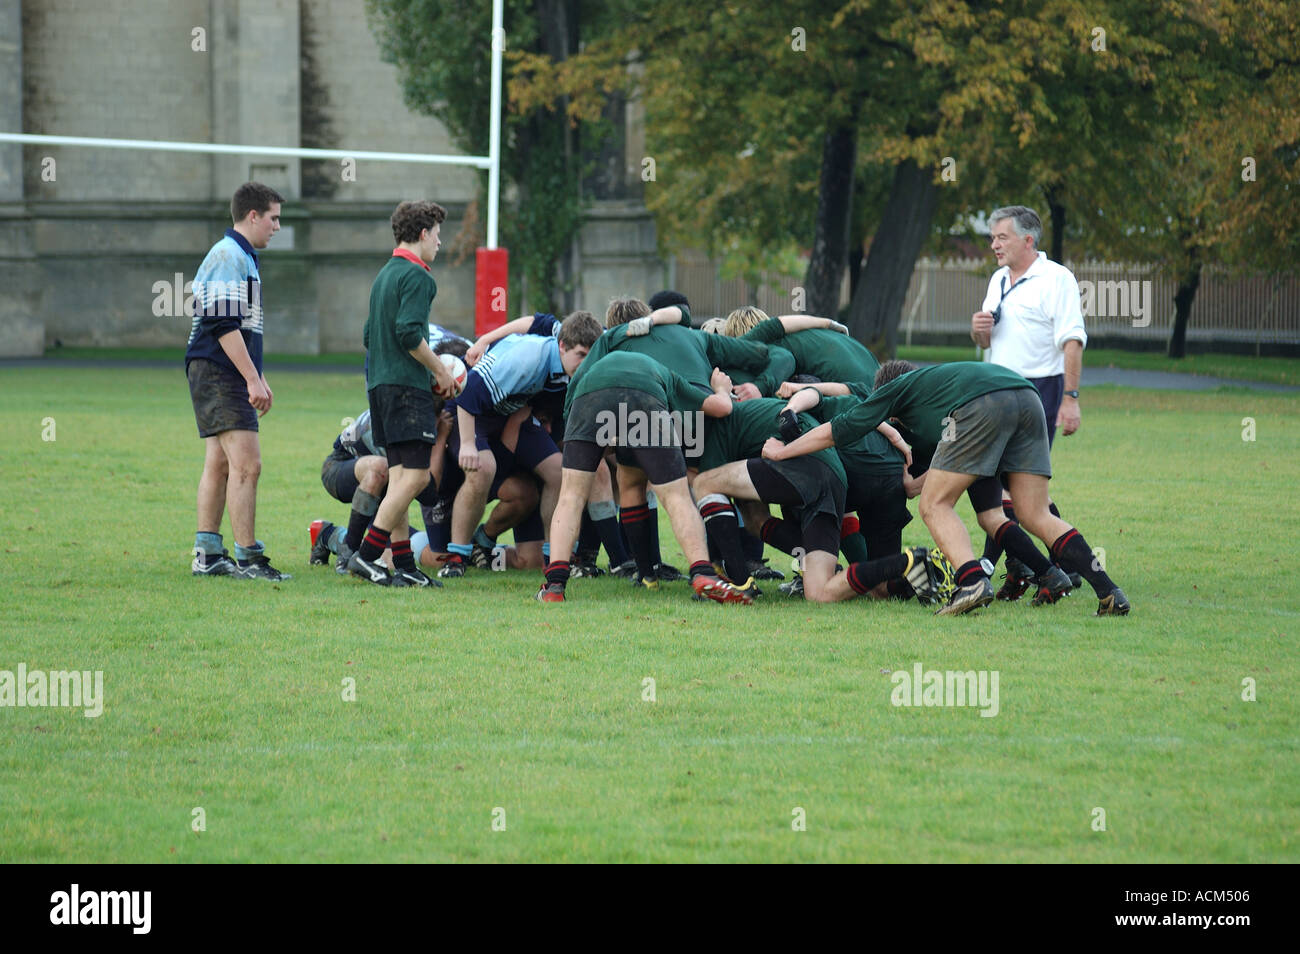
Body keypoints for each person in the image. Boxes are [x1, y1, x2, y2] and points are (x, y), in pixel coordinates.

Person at [764, 359, 1129, 616]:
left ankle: (971, 582)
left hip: (981, 406)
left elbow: (835, 430)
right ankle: (1108, 591)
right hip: (1026, 397)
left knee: (934, 507)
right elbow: (950, 465)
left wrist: (785, 452)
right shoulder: (937, 390)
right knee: (1028, 512)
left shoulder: (897, 391)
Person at [537, 351, 750, 605]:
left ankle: (555, 585)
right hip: (644, 396)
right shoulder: (666, 372)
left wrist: (603, 440)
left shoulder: (590, 367)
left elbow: (571, 411)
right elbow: (718, 407)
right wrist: (722, 389)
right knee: (676, 495)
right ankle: (702, 572)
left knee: (571, 496)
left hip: (587, 398)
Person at [971, 205, 1087, 598]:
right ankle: (1064, 565)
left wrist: (1070, 399)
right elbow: (987, 341)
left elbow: (1072, 341)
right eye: (993, 238)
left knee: (1015, 488)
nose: (994, 245)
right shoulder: (998, 279)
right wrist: (979, 332)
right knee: (1022, 490)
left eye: (1001, 238)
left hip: (1040, 389)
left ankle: (995, 570)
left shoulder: (1057, 279)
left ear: (1028, 240)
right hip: (997, 389)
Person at [440, 310, 603, 577]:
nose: (586, 364)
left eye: (590, 356)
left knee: (560, 472)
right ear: (562, 347)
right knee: (482, 468)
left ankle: (555, 558)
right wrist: (468, 444)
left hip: (512, 411)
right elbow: (468, 394)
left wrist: (487, 338)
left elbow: (532, 321)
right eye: (581, 356)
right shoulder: (526, 359)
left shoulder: (564, 333)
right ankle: (457, 555)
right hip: (472, 410)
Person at [347, 199, 457, 587]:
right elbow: (409, 334)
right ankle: (365, 556)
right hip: (404, 391)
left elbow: (368, 335)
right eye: (438, 235)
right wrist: (440, 369)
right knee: (415, 478)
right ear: (423, 234)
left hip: (380, 388)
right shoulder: (419, 277)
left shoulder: (383, 276)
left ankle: (405, 564)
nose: (440, 244)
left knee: (399, 479)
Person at [186, 181, 290, 581]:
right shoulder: (230, 255)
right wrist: (251, 379)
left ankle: (209, 554)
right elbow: (223, 325)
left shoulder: (241, 255)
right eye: (273, 218)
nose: (277, 227)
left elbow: (239, 328)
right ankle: (248, 558)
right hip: (218, 370)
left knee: (221, 464)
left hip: (217, 367)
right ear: (252, 216)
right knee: (248, 465)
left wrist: (258, 375)